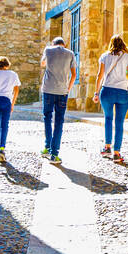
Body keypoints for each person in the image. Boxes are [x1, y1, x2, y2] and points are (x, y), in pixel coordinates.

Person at [94, 35, 128, 164]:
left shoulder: (104, 56)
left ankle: (107, 147)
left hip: (107, 91)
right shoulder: (127, 57)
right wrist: (123, 74)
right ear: (122, 44)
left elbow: (100, 75)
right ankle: (117, 153)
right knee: (119, 122)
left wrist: (96, 92)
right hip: (123, 91)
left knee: (108, 118)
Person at [40, 35, 76, 165]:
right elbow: (74, 75)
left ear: (53, 44)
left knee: (47, 118)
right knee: (59, 121)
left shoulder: (48, 50)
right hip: (62, 92)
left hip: (48, 90)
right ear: (64, 45)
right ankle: (54, 154)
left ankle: (47, 147)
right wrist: (68, 88)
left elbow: (42, 64)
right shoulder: (70, 53)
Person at [0, 56, 20, 164]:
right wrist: (13, 103)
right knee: (5, 124)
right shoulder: (13, 74)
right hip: (7, 100)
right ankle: (2, 148)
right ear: (7, 65)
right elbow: (16, 89)